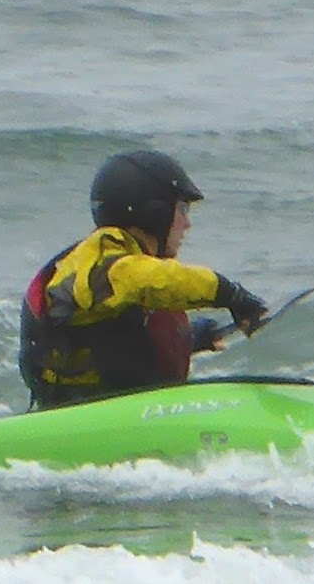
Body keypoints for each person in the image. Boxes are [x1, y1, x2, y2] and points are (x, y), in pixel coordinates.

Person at [19, 150, 269, 410]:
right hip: (81, 415)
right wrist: (229, 294)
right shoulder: (105, 262)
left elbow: (114, 338)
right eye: (182, 209)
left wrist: (190, 338)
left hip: (112, 410)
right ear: (154, 213)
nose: (187, 224)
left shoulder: (116, 266)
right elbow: (152, 280)